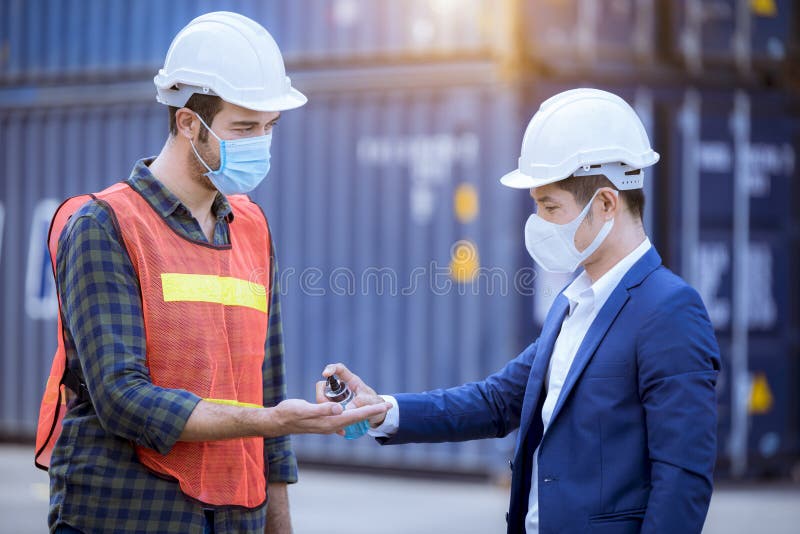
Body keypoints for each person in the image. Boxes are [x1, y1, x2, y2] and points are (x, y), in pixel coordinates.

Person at [34, 12, 389, 534]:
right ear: (187, 122)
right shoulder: (104, 225)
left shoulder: (251, 227)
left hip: (237, 515)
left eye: (269, 127)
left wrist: (279, 519)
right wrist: (270, 420)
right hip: (125, 513)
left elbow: (266, 382)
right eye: (244, 128)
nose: (260, 143)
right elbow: (122, 399)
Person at [319, 88, 721, 533]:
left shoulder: (668, 310)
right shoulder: (575, 301)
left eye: (551, 208)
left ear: (606, 204)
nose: (539, 224)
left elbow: (682, 479)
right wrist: (383, 410)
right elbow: (497, 401)